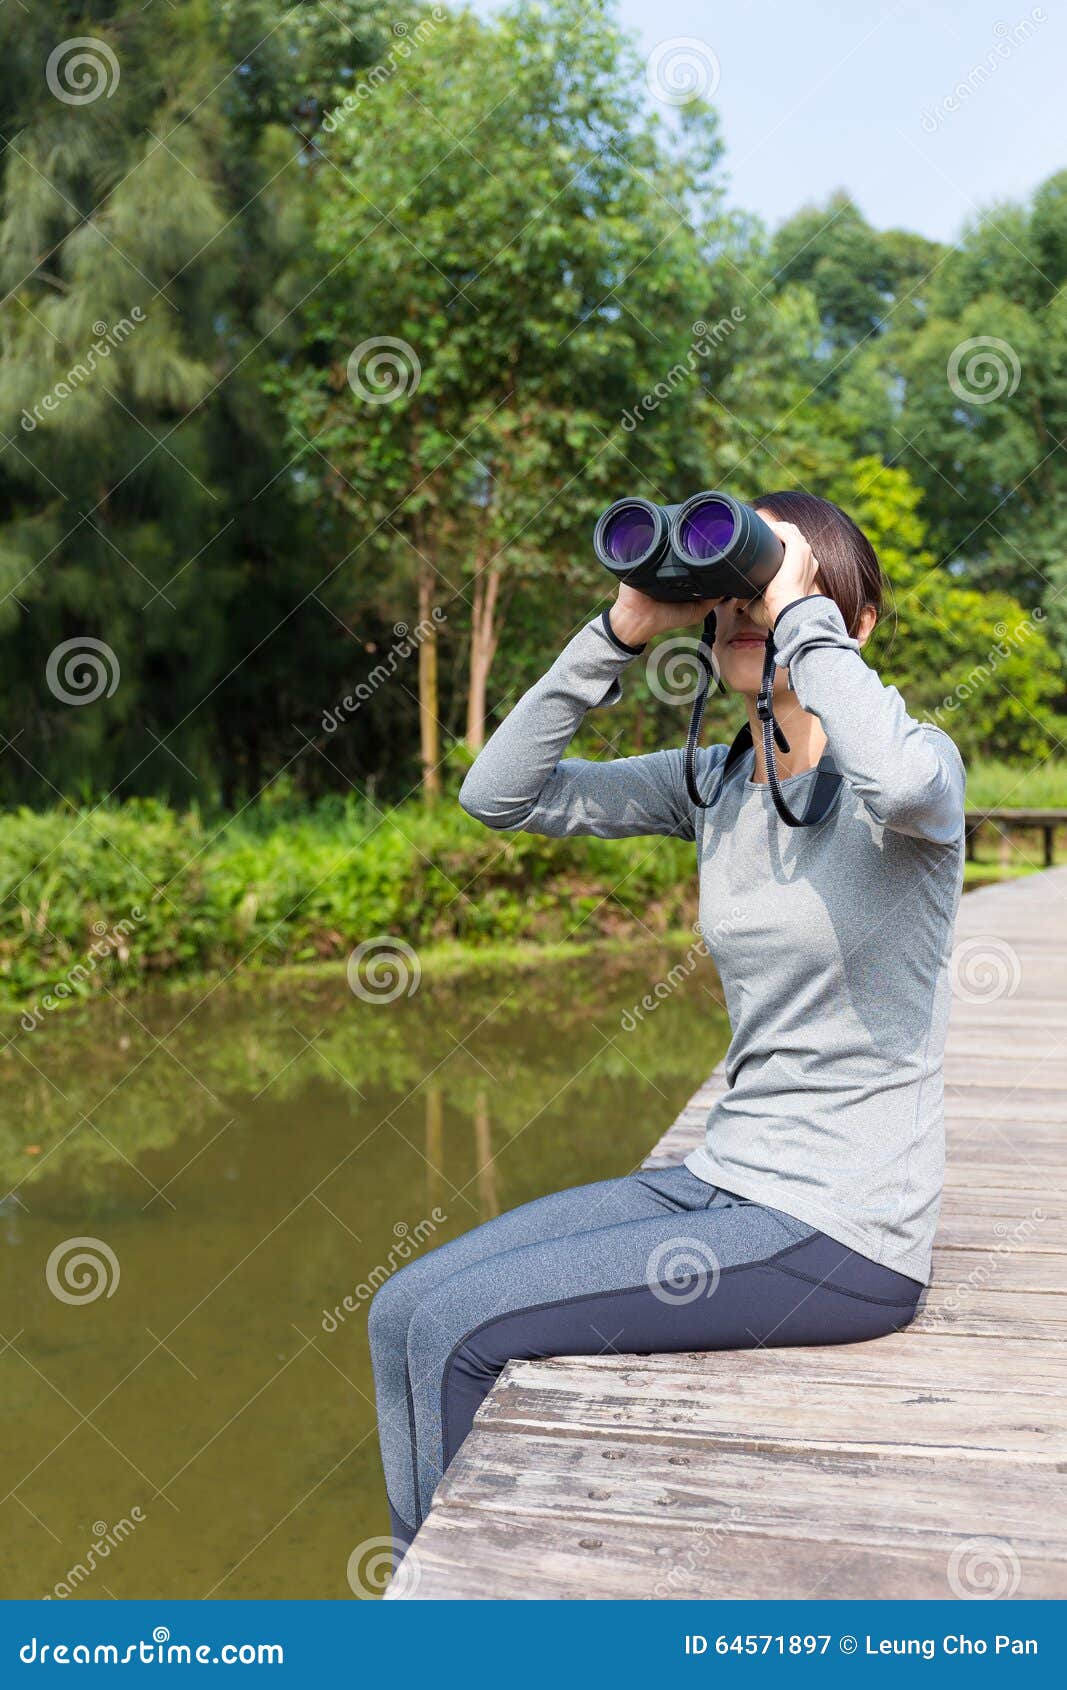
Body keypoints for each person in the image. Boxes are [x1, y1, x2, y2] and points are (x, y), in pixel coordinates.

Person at [368, 490, 966, 1552]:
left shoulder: (913, 770)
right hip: (721, 1179)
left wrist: (798, 615)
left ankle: (454, 1618)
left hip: (841, 1229)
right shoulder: (714, 783)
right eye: (737, 590)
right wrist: (620, 629)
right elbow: (497, 795)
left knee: (462, 1330)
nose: (748, 608)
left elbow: (897, 778)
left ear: (855, 622)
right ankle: (421, 1599)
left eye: (776, 583)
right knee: (403, 1310)